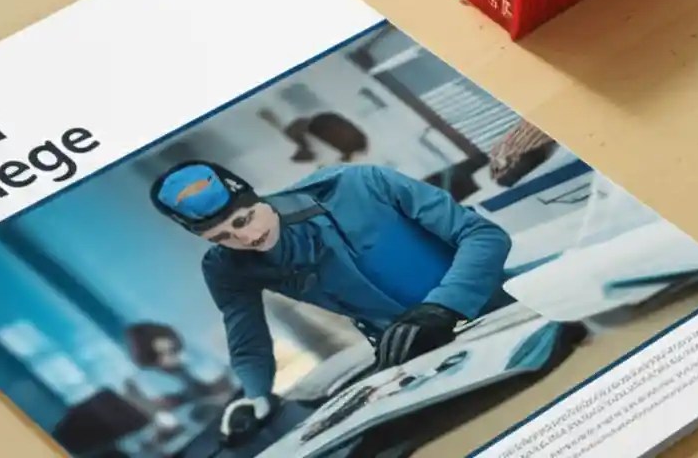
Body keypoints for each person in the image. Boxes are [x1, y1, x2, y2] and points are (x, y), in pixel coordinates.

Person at [148, 161, 513, 441]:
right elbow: (248, 341)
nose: (248, 237)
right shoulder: (226, 267)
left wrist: (443, 306)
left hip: (497, 312)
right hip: (409, 356)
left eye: (244, 219)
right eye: (222, 235)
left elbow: (482, 235)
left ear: (253, 197)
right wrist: (255, 398)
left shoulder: (360, 184)